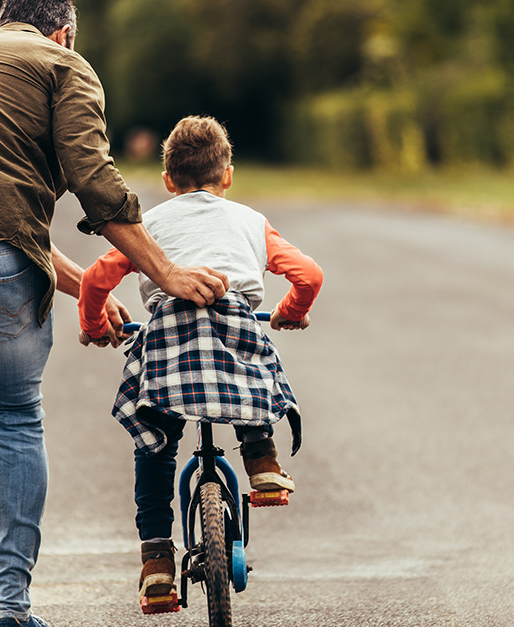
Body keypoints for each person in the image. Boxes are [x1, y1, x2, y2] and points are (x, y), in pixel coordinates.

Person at [0, 3, 228, 626]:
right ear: (65, 31)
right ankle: (12, 608)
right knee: (13, 417)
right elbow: (93, 181)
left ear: (4, 22)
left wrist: (91, 294)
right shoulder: (62, 65)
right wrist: (168, 274)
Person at [76, 116, 323, 607]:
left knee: (156, 445)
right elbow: (309, 276)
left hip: (169, 338)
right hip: (236, 325)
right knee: (251, 371)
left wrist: (94, 325)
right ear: (227, 175)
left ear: (168, 181)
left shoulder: (146, 228)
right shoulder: (251, 222)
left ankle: (156, 564)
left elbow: (94, 281)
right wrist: (291, 313)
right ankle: (262, 461)